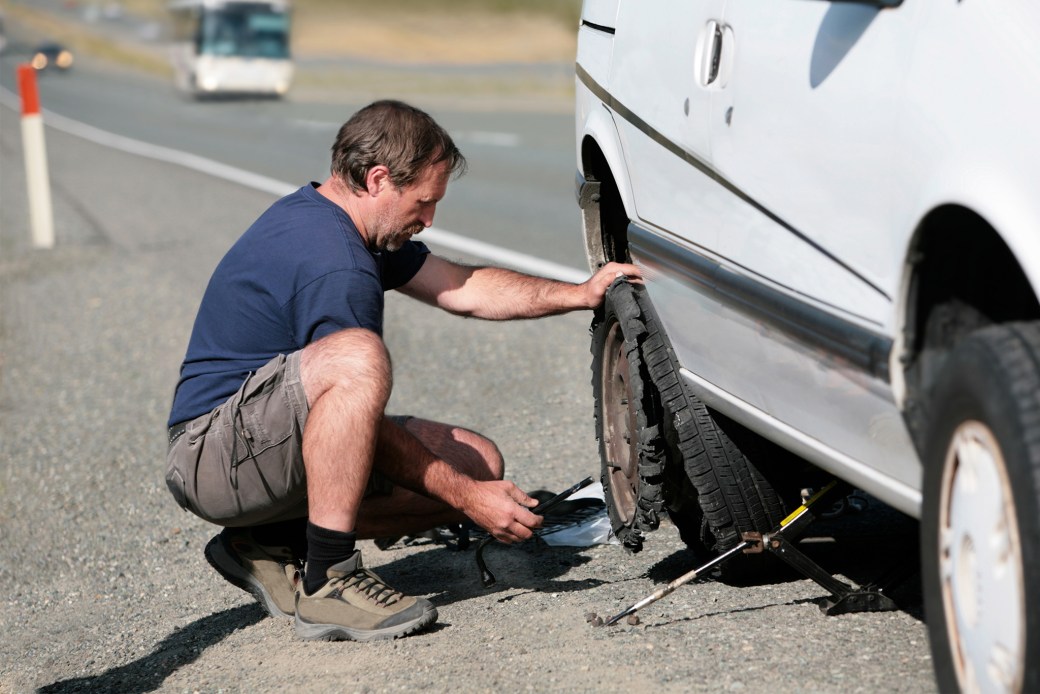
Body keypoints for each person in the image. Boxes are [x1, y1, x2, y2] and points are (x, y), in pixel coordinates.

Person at [165, 99, 640, 642]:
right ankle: (329, 580)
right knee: (360, 359)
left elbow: (464, 288)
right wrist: (466, 498)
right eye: (423, 202)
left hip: (257, 442)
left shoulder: (346, 222)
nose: (430, 219)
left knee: (478, 461)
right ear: (378, 179)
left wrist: (579, 294)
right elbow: (352, 399)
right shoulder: (333, 260)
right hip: (211, 457)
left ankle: (267, 538)